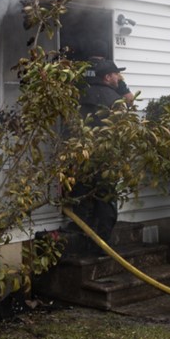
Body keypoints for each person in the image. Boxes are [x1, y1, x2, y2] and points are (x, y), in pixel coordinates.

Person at [65, 57, 130, 257]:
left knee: (82, 196)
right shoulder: (114, 99)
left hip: (81, 155)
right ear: (108, 76)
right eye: (116, 74)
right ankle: (102, 245)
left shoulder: (80, 93)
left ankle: (81, 243)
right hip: (106, 158)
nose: (119, 78)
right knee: (106, 198)